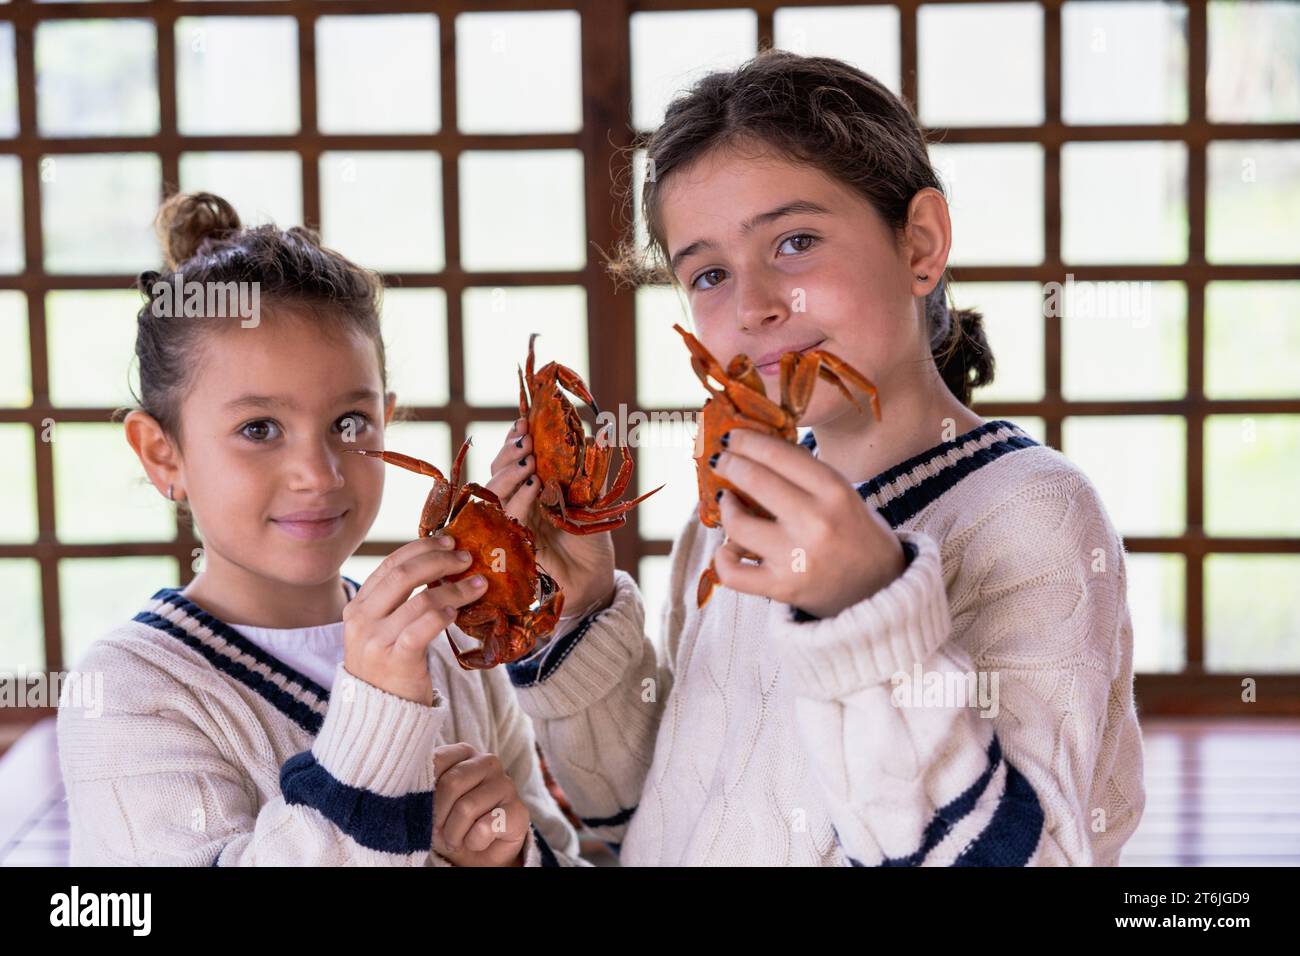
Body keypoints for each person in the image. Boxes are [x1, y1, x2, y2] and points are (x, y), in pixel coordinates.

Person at [482, 50, 1146, 866]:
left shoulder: (1032, 519)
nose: (756, 306)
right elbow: (654, 818)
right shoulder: (728, 506)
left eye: (795, 241)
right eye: (711, 273)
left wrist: (867, 611)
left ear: (921, 244)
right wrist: (577, 610)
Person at [57, 192, 583, 866]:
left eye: (349, 423)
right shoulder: (131, 691)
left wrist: (509, 856)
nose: (319, 472)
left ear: (387, 421)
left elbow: (560, 850)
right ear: (164, 453)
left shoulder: (458, 645)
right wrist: (378, 708)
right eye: (259, 429)